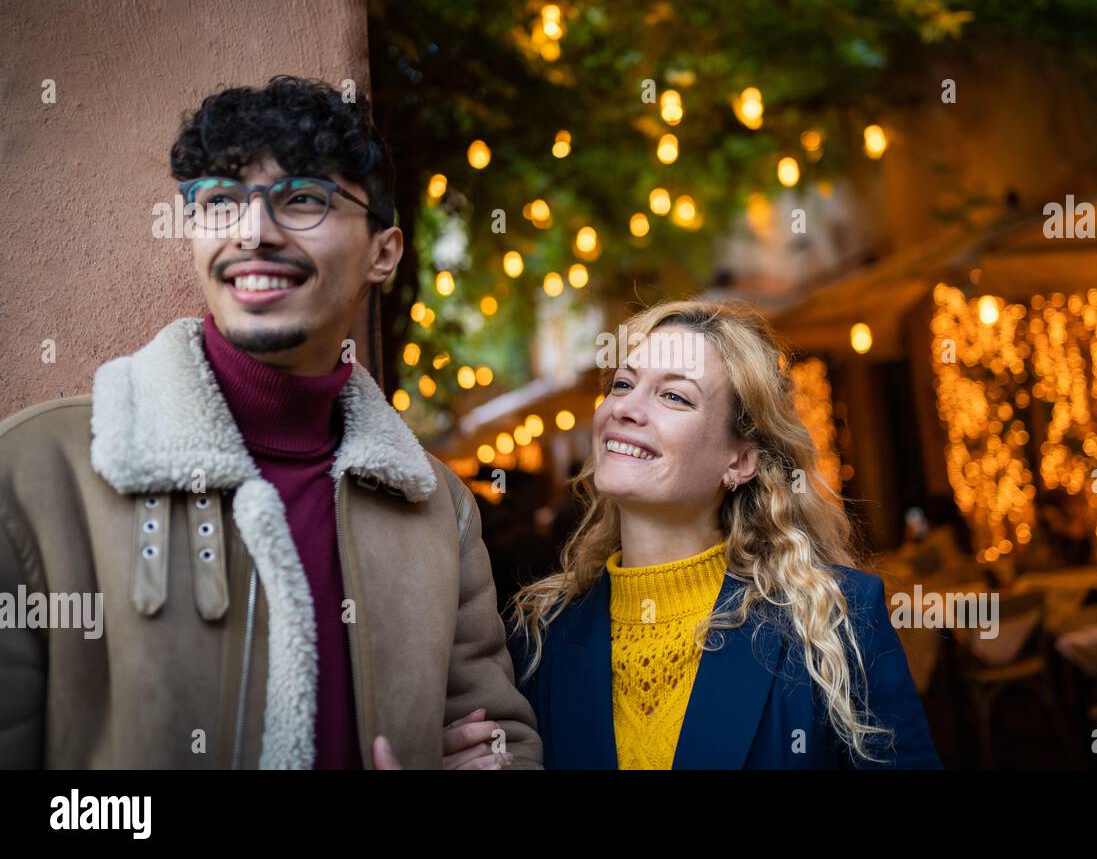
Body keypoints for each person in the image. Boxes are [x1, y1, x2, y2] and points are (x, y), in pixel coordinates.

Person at [0, 76, 540, 770]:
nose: (253, 232)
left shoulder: (436, 505)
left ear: (385, 251)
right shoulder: (39, 469)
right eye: (220, 201)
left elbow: (501, 738)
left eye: (304, 199)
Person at [507, 300, 941, 769]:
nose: (626, 408)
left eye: (674, 396)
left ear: (739, 461)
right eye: (623, 384)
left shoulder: (835, 621)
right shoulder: (538, 633)